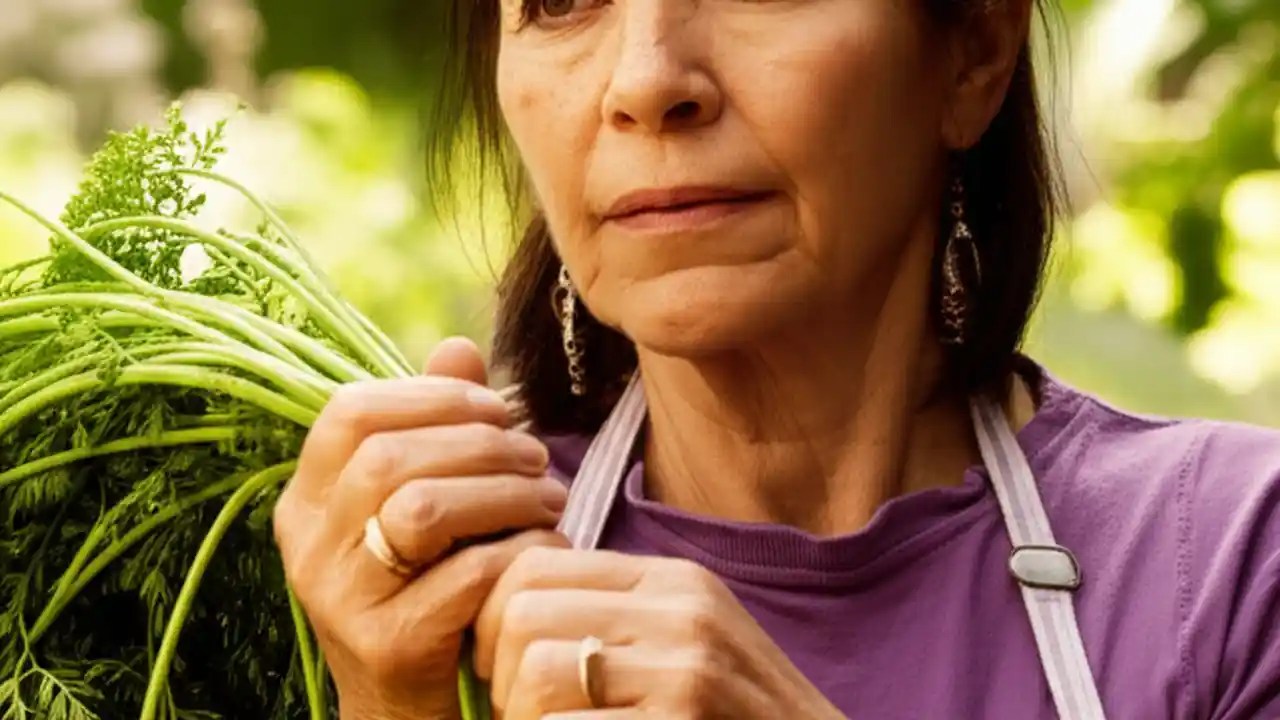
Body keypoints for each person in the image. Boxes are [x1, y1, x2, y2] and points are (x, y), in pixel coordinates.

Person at [271, 0, 1280, 717]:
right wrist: (391, 702)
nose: (646, 80)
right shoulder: (389, 575)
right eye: (561, 0)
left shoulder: (1229, 565)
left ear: (972, 49)